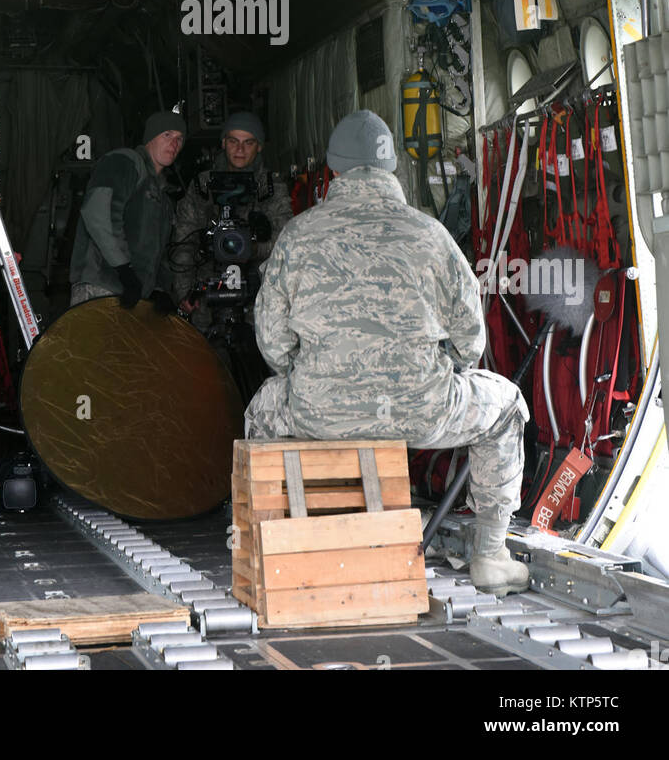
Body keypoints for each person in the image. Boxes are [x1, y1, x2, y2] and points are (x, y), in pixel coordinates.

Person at [244, 109, 530, 596]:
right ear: (391, 166)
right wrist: (435, 374)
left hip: (321, 412)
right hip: (422, 410)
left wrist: (317, 378)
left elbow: (271, 343)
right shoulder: (431, 235)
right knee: (504, 408)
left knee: (261, 411)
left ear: (332, 170)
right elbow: (471, 341)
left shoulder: (296, 236)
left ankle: (275, 551)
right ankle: (491, 555)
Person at [171, 111, 293, 316]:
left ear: (259, 146)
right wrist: (185, 292)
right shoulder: (203, 185)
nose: (240, 150)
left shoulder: (271, 188)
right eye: (233, 141)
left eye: (248, 143)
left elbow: (285, 242)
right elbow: (184, 240)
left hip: (258, 299)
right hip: (208, 296)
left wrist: (252, 248)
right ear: (223, 143)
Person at [69, 111, 185, 311]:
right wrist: (124, 270)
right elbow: (98, 213)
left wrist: (159, 288)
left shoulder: (163, 197)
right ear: (151, 137)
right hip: (100, 289)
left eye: (179, 139)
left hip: (135, 298)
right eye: (167, 135)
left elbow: (159, 251)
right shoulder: (124, 162)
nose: (174, 144)